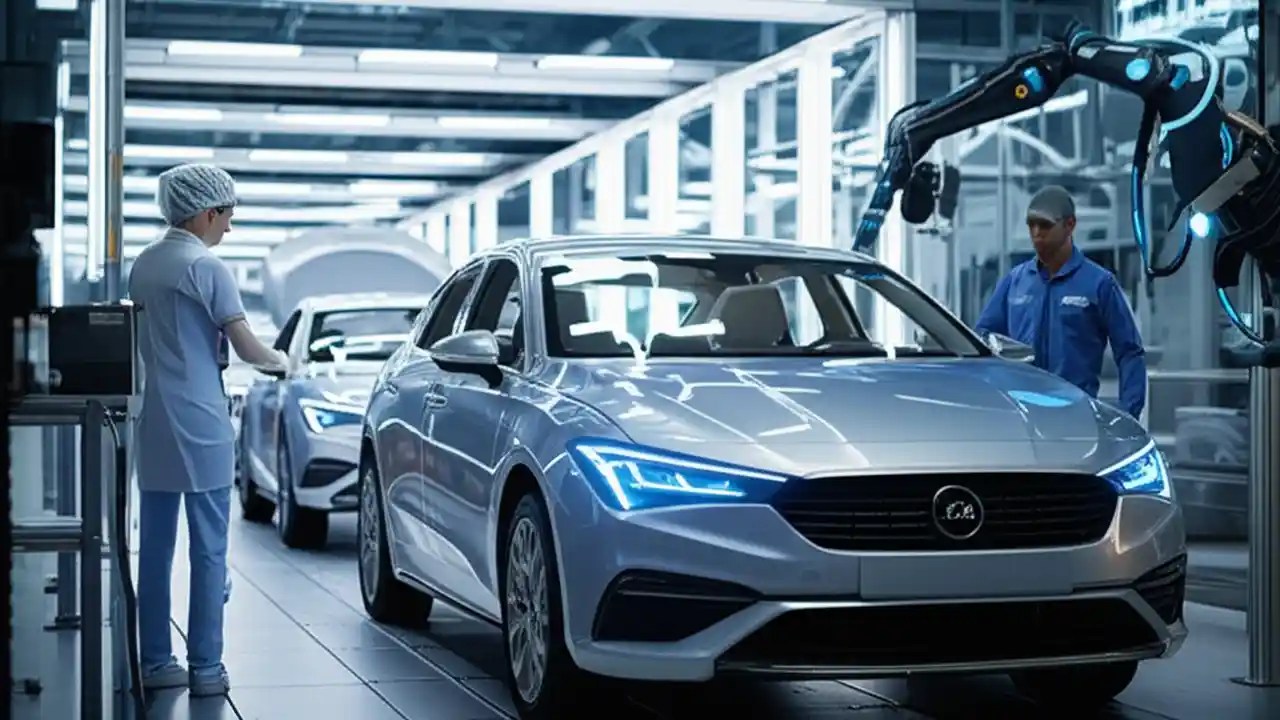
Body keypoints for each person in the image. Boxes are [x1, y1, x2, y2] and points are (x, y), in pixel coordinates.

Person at [127, 163, 285, 696]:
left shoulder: (144, 264)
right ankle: (206, 669)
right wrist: (286, 363)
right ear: (207, 212)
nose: (229, 228)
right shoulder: (206, 267)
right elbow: (246, 347)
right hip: (200, 419)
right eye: (228, 216)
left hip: (154, 421)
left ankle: (154, 662)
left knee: (154, 548)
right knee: (210, 549)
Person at [974, 185, 1148, 420]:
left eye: (1045, 225)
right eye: (1031, 225)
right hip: (1021, 414)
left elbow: (1129, 351)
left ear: (1070, 225)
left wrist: (1129, 412)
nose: (1036, 233)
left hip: (1076, 416)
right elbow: (982, 339)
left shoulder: (1098, 284)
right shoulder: (1015, 281)